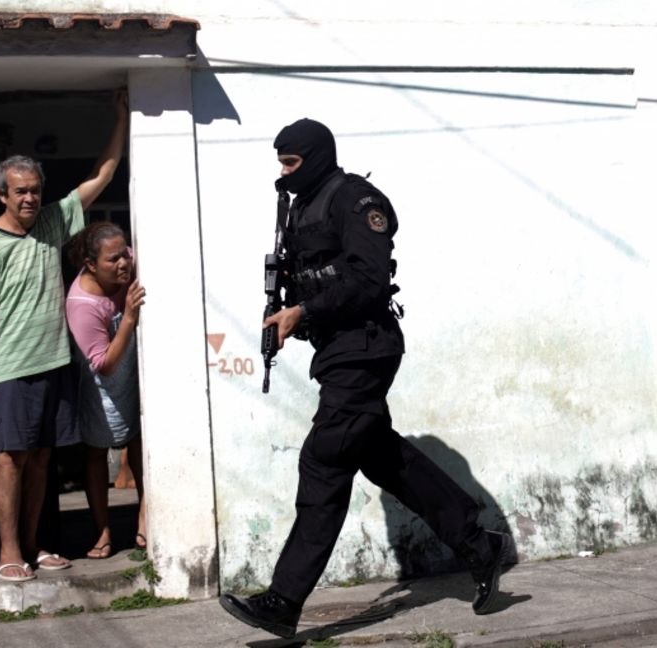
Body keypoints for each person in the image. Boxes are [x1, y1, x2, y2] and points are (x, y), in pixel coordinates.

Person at [219, 118, 512, 638]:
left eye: (291, 163)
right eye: (280, 164)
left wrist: (303, 310)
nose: (284, 173)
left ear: (315, 156)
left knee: (325, 459)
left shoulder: (354, 200)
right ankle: (478, 543)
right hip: (337, 350)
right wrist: (290, 312)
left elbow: (370, 280)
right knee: (380, 456)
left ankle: (283, 600)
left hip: (366, 345)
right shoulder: (298, 206)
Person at [0, 90, 128, 582]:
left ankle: (35, 547)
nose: (30, 197)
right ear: (2, 195)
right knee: (10, 461)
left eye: (35, 189)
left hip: (55, 362)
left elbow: (101, 177)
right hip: (12, 369)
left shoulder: (51, 224)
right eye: (20, 191)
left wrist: (120, 114)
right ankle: (8, 553)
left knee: (41, 462)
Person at [66, 222, 147, 559]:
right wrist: (127, 316)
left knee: (141, 442)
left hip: (135, 374)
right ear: (91, 265)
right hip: (103, 385)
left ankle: (145, 520)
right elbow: (106, 364)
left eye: (125, 253)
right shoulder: (82, 305)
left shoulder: (125, 271)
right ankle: (103, 532)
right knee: (97, 452)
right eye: (113, 259)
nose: (124, 264)